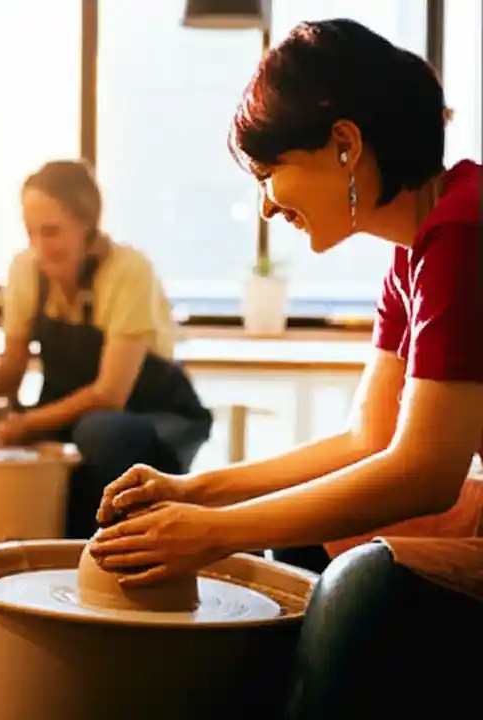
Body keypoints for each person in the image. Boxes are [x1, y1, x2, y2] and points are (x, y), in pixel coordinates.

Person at [89, 19, 482, 719]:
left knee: (365, 584)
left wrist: (212, 532)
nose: (267, 205)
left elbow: (426, 470)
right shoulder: (416, 253)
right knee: (306, 536)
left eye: (270, 174)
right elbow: (367, 440)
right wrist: (199, 491)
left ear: (345, 144)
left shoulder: (465, 232)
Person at [0, 160, 213, 539]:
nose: (39, 246)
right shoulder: (26, 269)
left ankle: (105, 552)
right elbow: (10, 371)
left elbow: (109, 394)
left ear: (87, 225)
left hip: (151, 414)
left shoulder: (128, 270)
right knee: (24, 462)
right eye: (30, 231)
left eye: (51, 231)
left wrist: (26, 423)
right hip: (70, 414)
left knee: (99, 432)